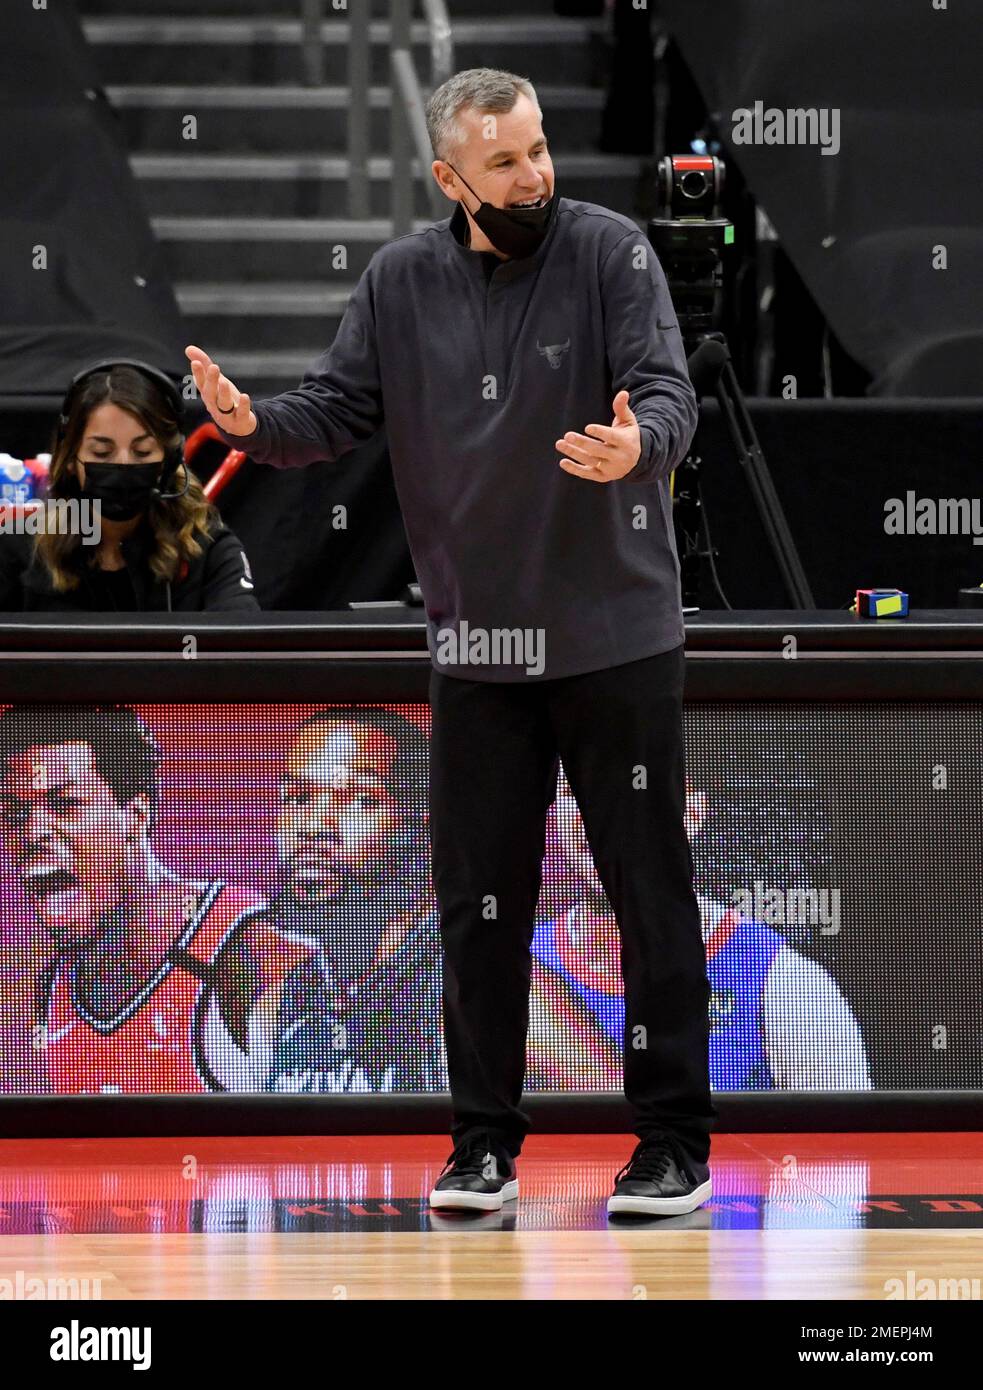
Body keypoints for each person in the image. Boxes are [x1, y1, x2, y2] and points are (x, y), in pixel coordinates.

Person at [187, 66, 709, 1218]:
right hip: (476, 651)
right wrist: (249, 423)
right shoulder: (397, 281)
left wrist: (642, 449)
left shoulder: (610, 251)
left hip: (613, 636)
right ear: (448, 178)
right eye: (505, 162)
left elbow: (666, 389)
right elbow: (330, 412)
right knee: (476, 911)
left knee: (647, 895)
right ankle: (482, 1146)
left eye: (537, 151)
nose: (533, 176)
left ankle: (671, 1142)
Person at [0, 702, 288, 1093]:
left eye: (65, 804)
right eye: (16, 813)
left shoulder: (246, 943)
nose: (32, 832)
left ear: (135, 815)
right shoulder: (52, 986)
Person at [532, 769, 872, 1092]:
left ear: (691, 814)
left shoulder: (787, 985)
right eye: (573, 785)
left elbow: (846, 1150)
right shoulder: (512, 973)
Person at [0, 359, 258, 612]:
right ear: (69, 459)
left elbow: (241, 641)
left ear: (168, 461)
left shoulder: (208, 548)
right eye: (102, 452)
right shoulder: (18, 549)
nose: (123, 464)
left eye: (142, 452)